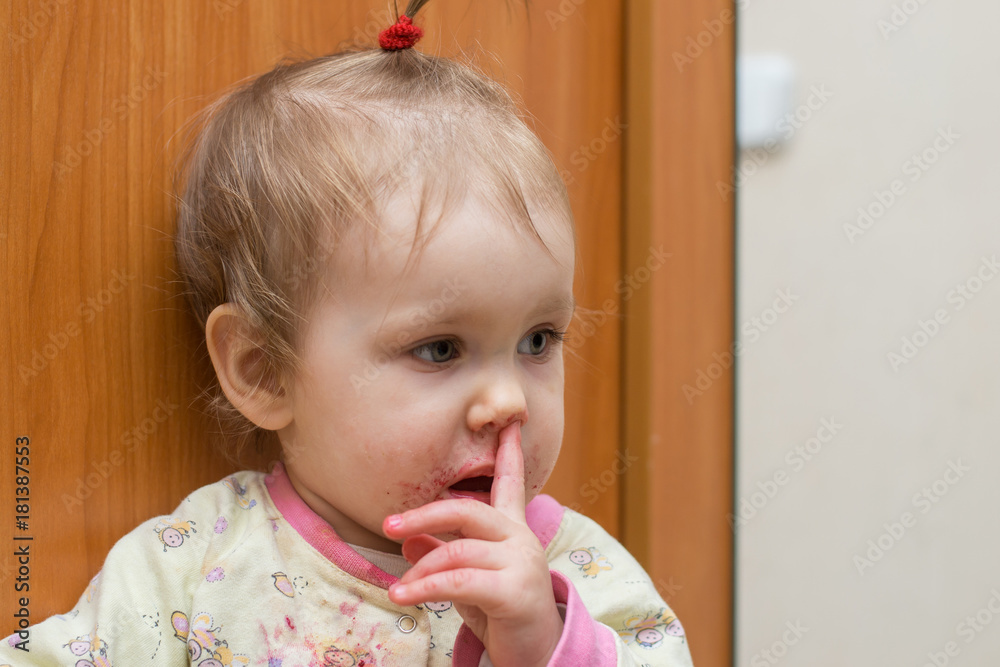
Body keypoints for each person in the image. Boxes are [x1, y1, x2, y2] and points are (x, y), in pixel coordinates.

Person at [1, 2, 694, 665]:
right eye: (439, 348)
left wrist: (542, 643)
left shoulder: (572, 570)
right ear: (264, 369)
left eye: (538, 340)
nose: (508, 399)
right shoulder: (195, 565)